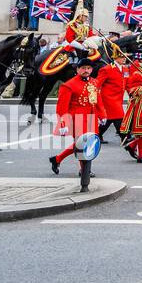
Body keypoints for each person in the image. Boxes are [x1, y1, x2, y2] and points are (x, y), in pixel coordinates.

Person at [49, 56, 100, 189]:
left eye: (89, 68)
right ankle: (84, 171)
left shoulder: (94, 82)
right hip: (76, 119)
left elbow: (97, 100)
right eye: (83, 68)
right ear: (77, 69)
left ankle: (57, 159)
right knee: (82, 145)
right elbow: (61, 108)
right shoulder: (68, 85)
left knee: (84, 145)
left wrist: (103, 115)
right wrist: (62, 124)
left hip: (91, 117)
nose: (86, 71)